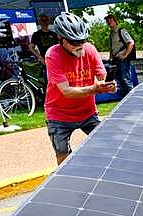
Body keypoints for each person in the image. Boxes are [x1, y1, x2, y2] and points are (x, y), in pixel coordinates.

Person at [44, 13, 115, 165]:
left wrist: (106, 85)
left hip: (87, 112)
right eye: (73, 41)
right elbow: (67, 91)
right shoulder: (53, 55)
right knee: (63, 156)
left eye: (82, 40)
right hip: (59, 115)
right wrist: (95, 89)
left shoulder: (90, 50)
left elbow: (102, 76)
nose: (79, 45)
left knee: (109, 146)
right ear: (60, 38)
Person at [105, 14, 135, 99]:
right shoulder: (111, 34)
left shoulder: (121, 31)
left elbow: (131, 42)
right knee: (119, 79)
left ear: (115, 20)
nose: (108, 22)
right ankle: (125, 98)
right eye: (107, 21)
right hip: (115, 59)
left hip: (123, 59)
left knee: (125, 78)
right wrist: (110, 58)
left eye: (110, 20)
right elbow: (111, 48)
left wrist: (125, 55)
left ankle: (132, 97)